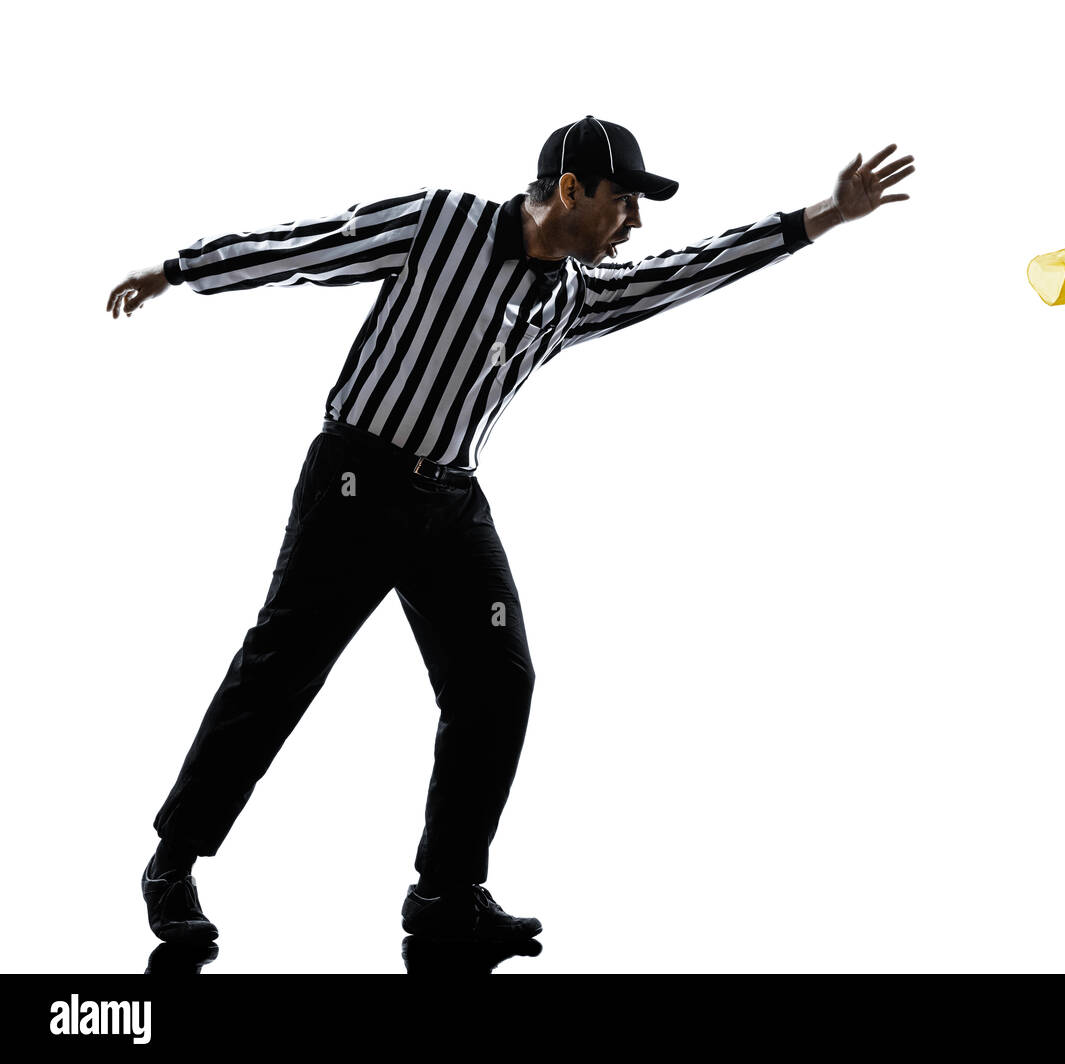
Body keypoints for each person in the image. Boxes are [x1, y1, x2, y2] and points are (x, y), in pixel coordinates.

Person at [107, 116, 915, 946]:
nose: (633, 223)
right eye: (624, 202)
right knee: (281, 668)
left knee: (499, 680)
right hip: (357, 482)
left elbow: (687, 271)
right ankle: (172, 863)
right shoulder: (438, 223)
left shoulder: (573, 294)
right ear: (571, 189)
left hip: (451, 502)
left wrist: (822, 215)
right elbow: (309, 248)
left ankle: (445, 894)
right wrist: (177, 271)